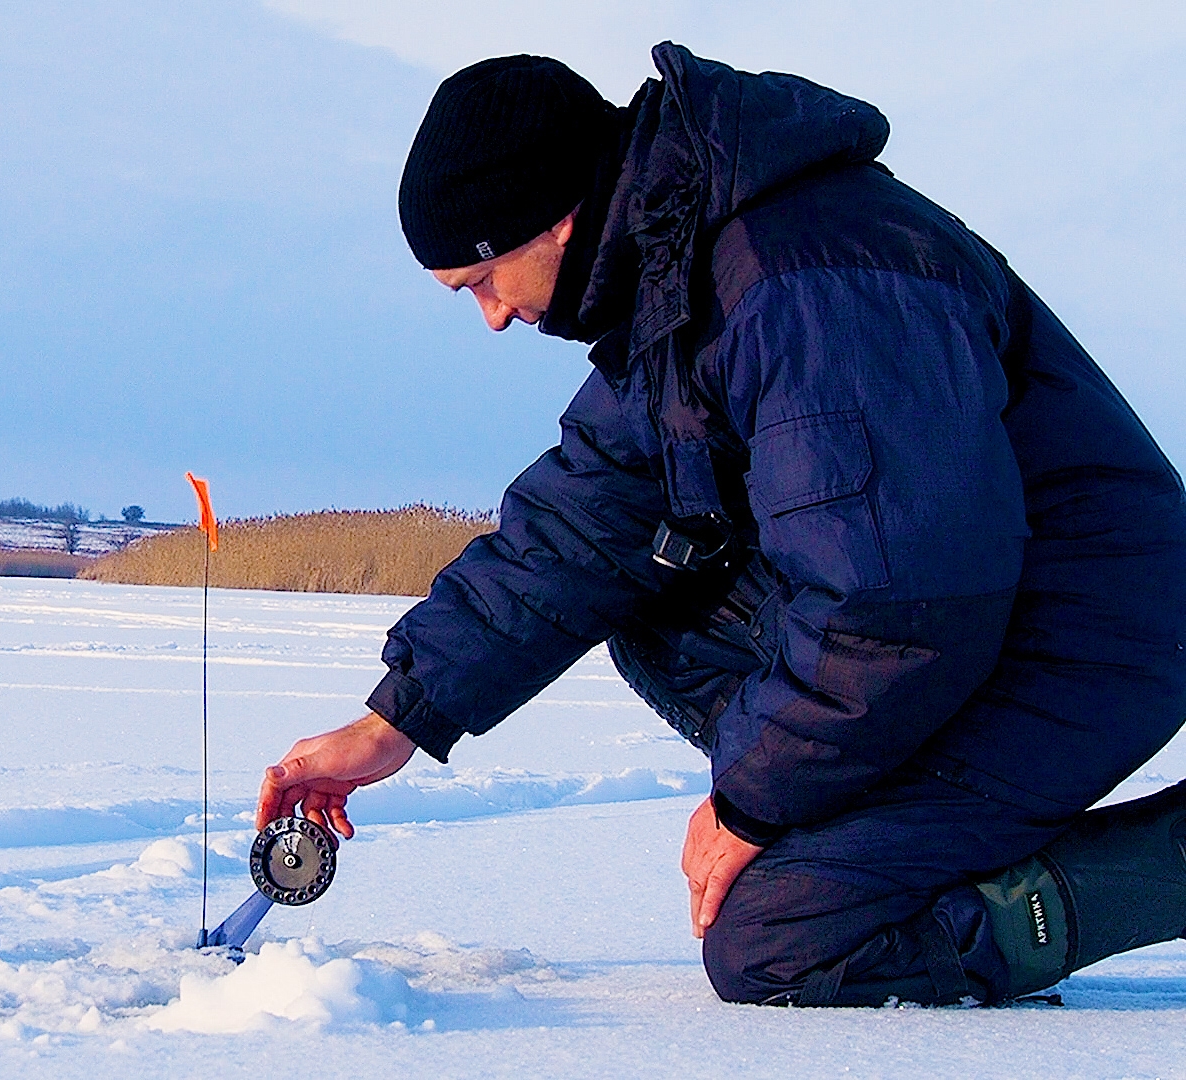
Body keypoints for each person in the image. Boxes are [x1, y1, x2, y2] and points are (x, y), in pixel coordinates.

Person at [254, 43, 1186, 1006]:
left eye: (480, 282)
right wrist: (396, 719)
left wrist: (752, 804)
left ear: (553, 217)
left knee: (782, 939)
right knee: (657, 598)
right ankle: (878, 838)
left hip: (1085, 636)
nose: (491, 318)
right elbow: (584, 515)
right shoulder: (684, 273)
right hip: (989, 620)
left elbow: (901, 600)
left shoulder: (803, 284)